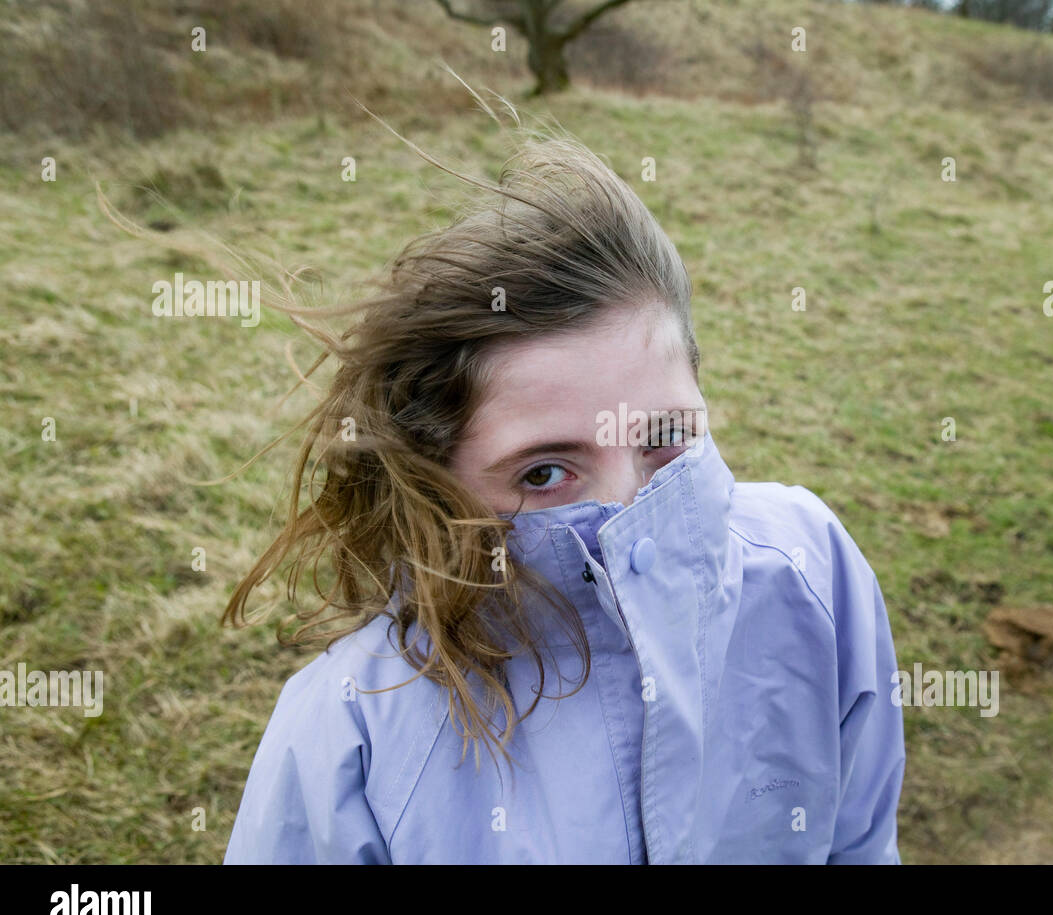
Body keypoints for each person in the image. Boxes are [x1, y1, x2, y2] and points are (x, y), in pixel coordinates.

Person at [219, 110, 906, 864]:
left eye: (665, 439)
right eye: (544, 473)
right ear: (434, 481)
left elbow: (859, 842)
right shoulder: (350, 736)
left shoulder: (809, 571)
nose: (626, 513)